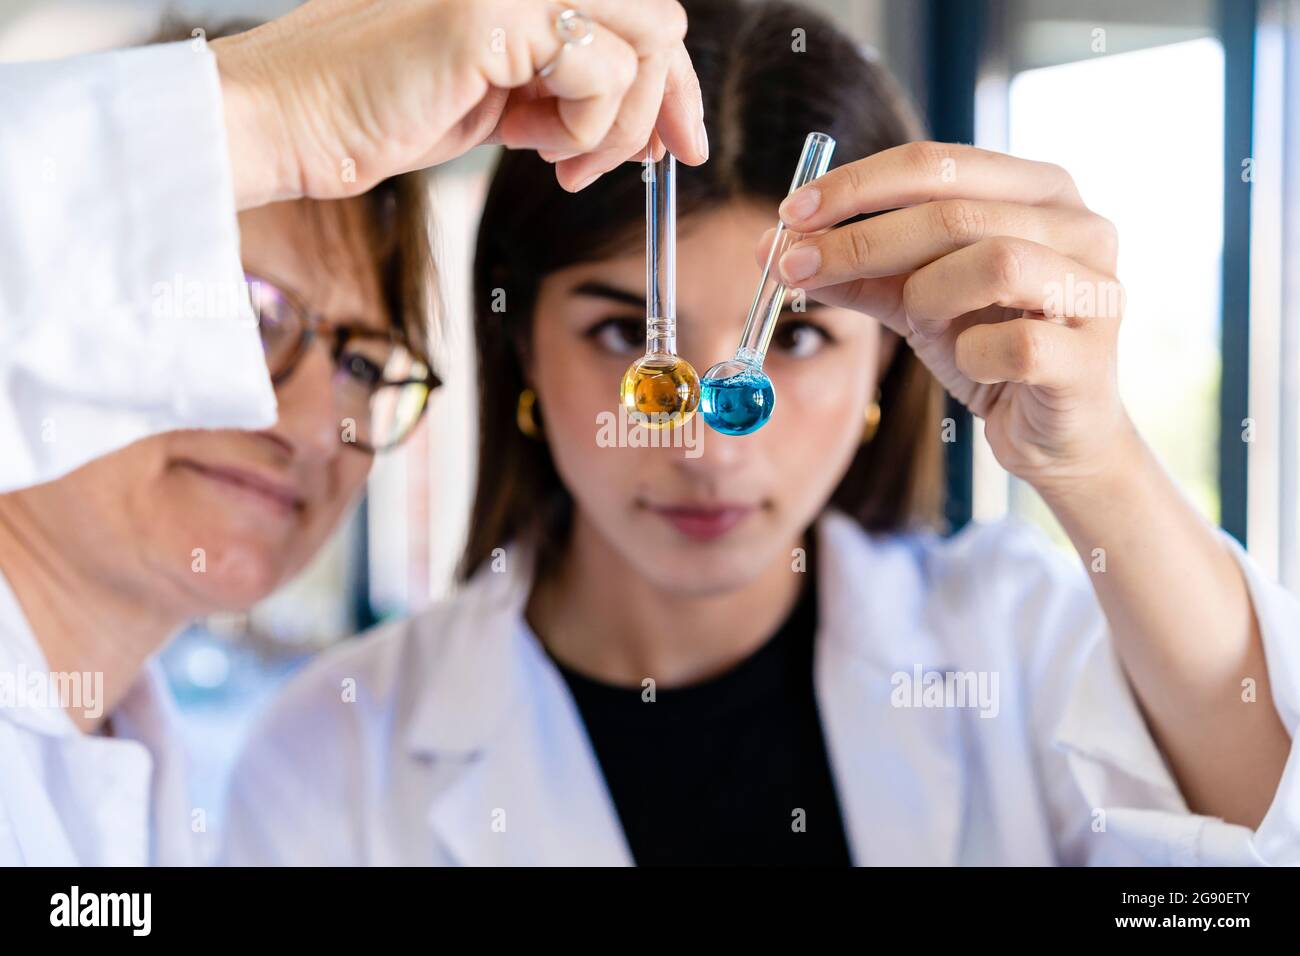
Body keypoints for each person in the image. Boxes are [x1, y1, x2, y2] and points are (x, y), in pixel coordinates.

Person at [222, 0, 1299, 867]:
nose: (706, 444)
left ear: (892, 354)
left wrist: (1095, 456)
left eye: (797, 338)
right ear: (523, 357)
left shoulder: (1011, 643)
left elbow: (1257, 825)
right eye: (622, 333)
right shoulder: (332, 754)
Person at [0, 0, 705, 865]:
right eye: (244, 318)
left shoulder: (136, 772)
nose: (307, 425)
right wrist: (263, 110)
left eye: (365, 365)